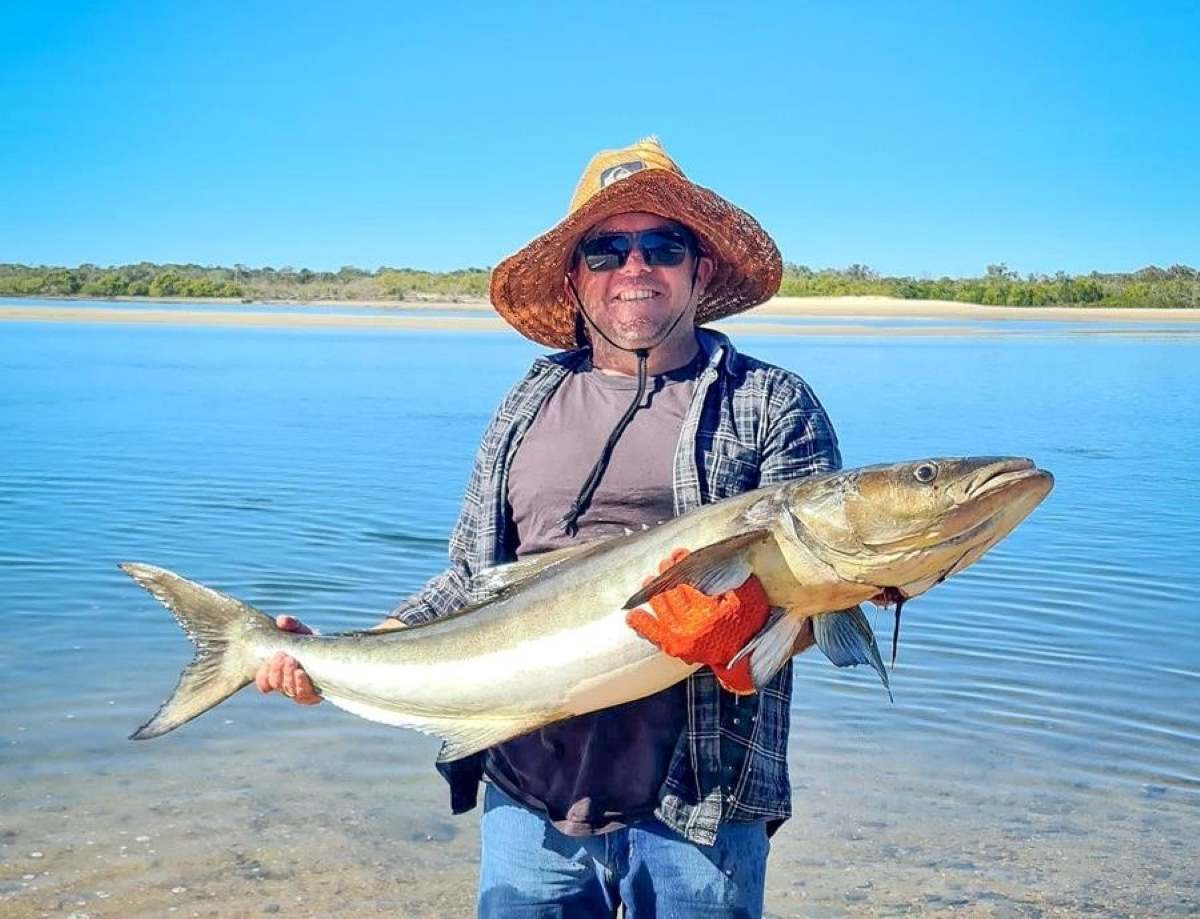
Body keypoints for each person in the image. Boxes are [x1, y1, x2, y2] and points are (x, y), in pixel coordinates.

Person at [256, 137, 842, 917]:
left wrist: (747, 620)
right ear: (575, 277)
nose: (634, 267)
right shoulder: (528, 400)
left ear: (699, 269)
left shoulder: (770, 404)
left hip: (701, 808)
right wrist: (336, 654)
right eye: (605, 249)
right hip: (527, 801)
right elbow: (470, 577)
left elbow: (819, 605)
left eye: (662, 245)